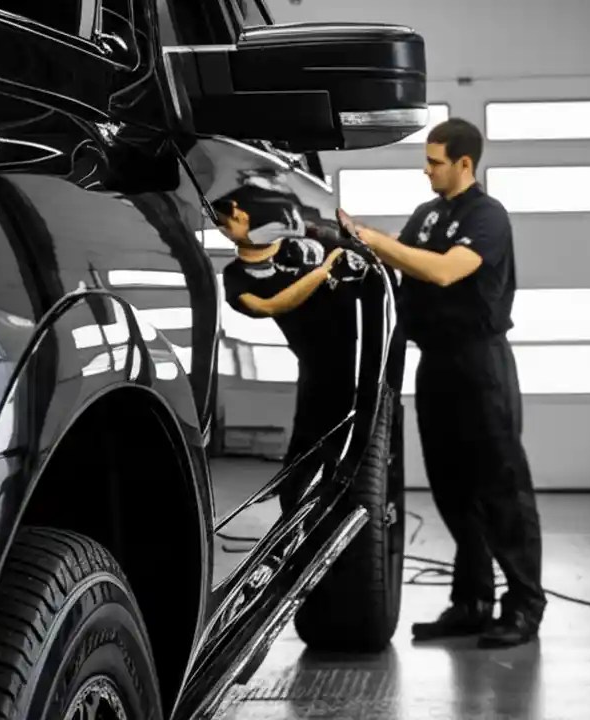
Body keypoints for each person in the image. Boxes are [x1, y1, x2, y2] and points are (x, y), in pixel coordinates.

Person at [336, 117, 545, 649]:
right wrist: (353, 245)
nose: (425, 168)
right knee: (453, 490)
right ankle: (472, 602)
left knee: (501, 490)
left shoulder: (488, 216)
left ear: (464, 164)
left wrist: (376, 239)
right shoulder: (427, 214)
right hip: (436, 367)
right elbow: (403, 266)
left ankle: (523, 606)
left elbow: (447, 271)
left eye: (434, 161)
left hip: (480, 367)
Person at [213, 186, 360, 512]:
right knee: (307, 448)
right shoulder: (237, 275)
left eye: (235, 216)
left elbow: (363, 259)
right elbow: (269, 305)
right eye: (225, 223)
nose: (228, 226)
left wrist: (354, 242)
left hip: (358, 360)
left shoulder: (310, 239)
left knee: (355, 454)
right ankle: (295, 523)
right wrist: (322, 273)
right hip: (316, 365)